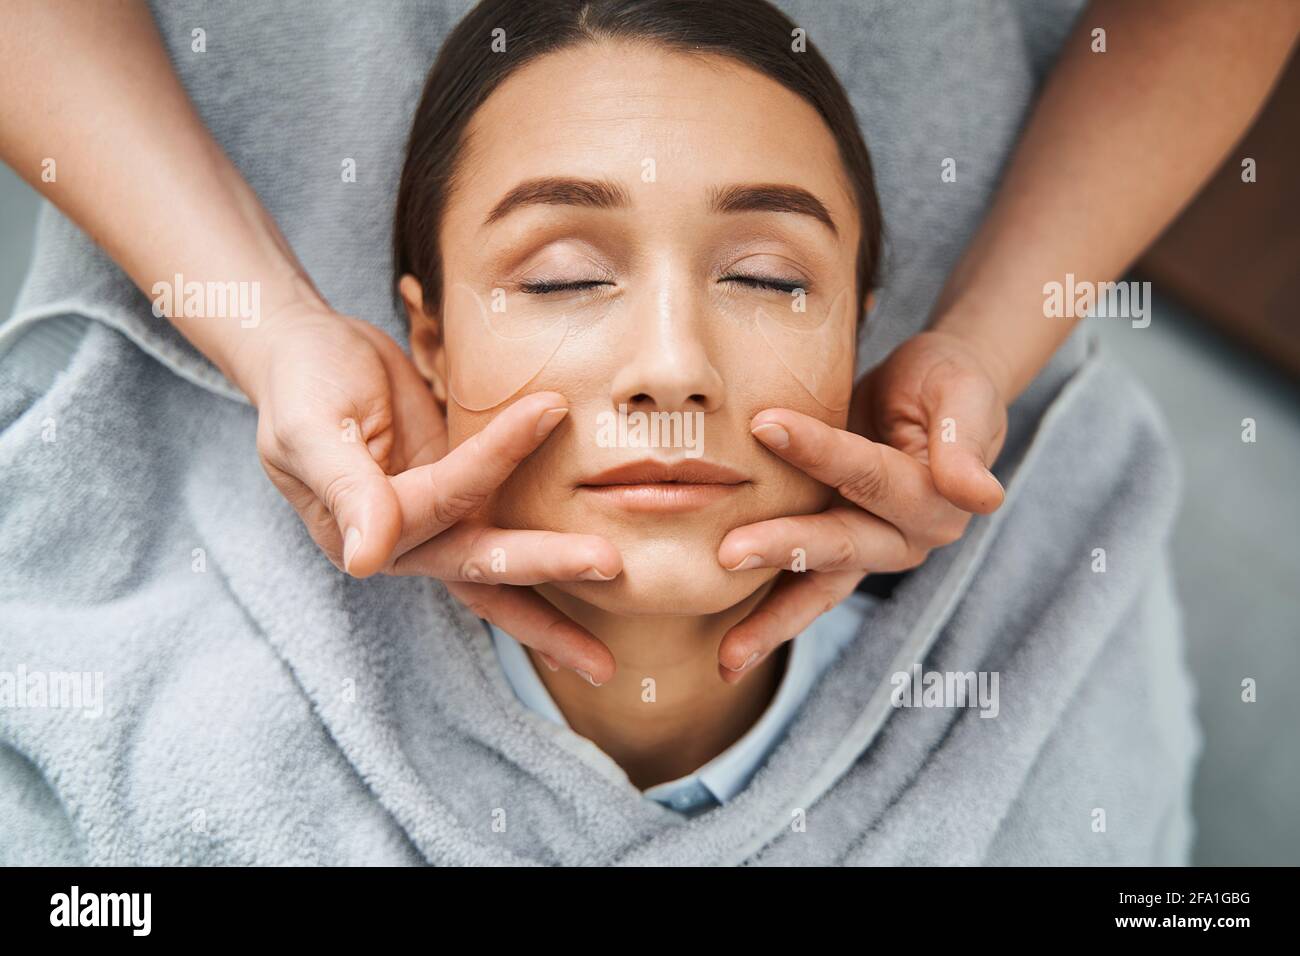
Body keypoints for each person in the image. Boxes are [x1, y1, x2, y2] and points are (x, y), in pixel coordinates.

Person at [0, 0, 1294, 864]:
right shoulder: (164, 747)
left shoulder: (1053, 747)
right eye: (563, 277)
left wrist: (986, 342)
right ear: (427, 339)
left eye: (771, 280)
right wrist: (269, 328)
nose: (672, 364)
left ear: (859, 340)